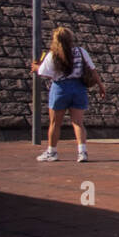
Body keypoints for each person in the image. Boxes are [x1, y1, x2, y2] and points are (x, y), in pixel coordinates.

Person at [31, 27, 105, 162]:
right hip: (79, 88)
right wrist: (101, 86)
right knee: (78, 122)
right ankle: (82, 152)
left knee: (55, 123)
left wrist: (36, 68)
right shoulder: (81, 52)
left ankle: (52, 152)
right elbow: (93, 70)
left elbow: (44, 73)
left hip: (60, 88)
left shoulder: (53, 54)